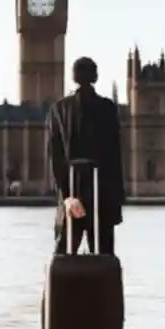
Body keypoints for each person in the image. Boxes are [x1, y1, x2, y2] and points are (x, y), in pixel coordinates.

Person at [46, 56, 125, 255]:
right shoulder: (108, 108)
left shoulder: (59, 109)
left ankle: (59, 287)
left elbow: (55, 157)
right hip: (102, 190)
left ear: (73, 76)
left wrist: (65, 196)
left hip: (73, 187)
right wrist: (116, 200)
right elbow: (115, 157)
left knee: (62, 255)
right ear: (96, 76)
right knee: (104, 255)